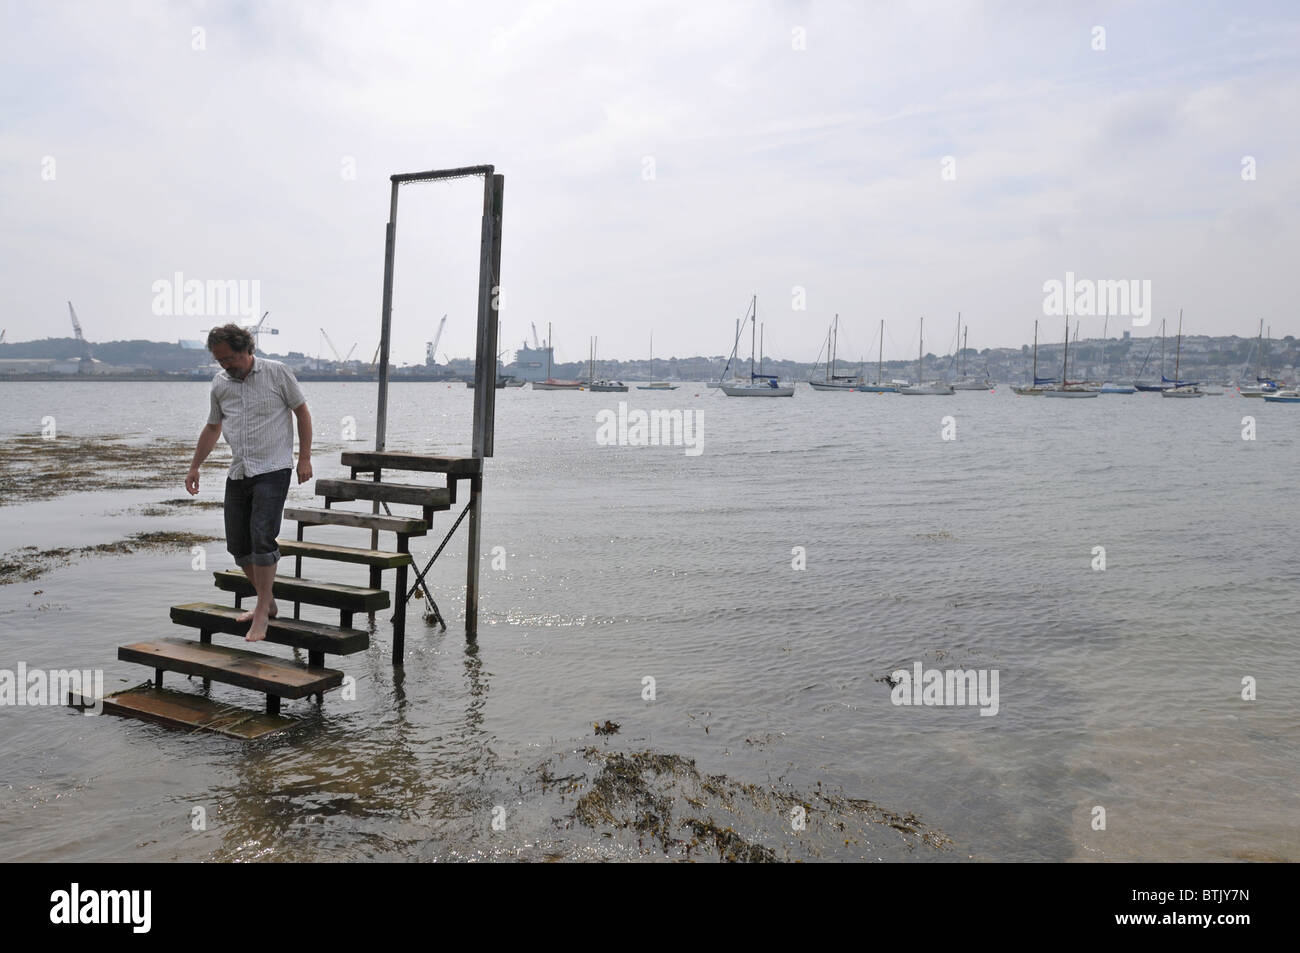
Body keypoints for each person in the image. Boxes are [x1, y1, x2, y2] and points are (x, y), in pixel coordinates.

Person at [185, 324, 312, 642]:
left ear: (247, 350)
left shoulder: (277, 372)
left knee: (262, 539)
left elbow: (302, 413)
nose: (225, 365)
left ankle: (260, 613)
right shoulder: (220, 383)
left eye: (229, 358)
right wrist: (194, 467)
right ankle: (268, 604)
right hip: (239, 471)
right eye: (219, 360)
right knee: (238, 547)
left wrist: (305, 458)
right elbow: (213, 427)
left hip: (273, 469)